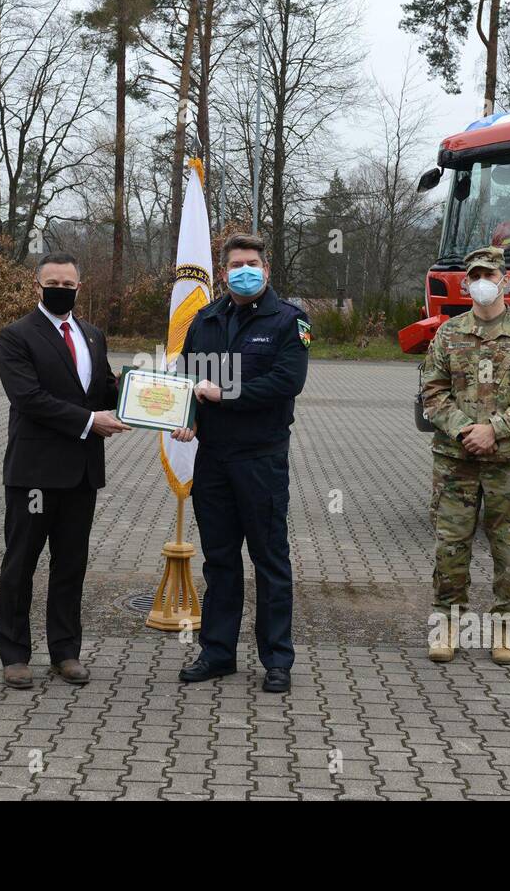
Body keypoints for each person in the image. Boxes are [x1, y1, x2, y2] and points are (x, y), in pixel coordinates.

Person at [172, 233, 310, 693]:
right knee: (220, 560)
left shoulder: (290, 320)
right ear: (224, 270)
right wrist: (186, 416)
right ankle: (217, 652)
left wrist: (224, 394)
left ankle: (277, 659)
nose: (243, 270)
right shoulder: (205, 320)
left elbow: (286, 382)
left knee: (270, 560)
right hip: (212, 459)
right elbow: (186, 378)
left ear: (266, 270)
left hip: (261, 460)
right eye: (235, 264)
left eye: (252, 262)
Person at [0, 252, 128, 689]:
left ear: (78, 289)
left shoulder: (92, 335)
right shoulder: (16, 336)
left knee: (71, 565)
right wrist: (91, 422)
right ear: (38, 285)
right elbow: (29, 399)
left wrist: (148, 390)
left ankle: (65, 652)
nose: (61, 290)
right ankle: (14, 655)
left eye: (69, 285)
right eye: (53, 282)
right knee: (21, 565)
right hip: (34, 474)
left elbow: (104, 388)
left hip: (81, 474)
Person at [419, 246, 510, 665]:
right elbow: (433, 392)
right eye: (475, 274)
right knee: (450, 550)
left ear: (504, 281)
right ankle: (446, 629)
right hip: (456, 462)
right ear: (466, 282)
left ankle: (507, 632)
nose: (482, 281)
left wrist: (493, 430)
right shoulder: (448, 333)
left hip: (508, 464)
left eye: (489, 275)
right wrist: (466, 430)